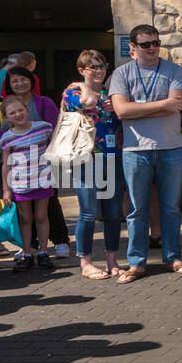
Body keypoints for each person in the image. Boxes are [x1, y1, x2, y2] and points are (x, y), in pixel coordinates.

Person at [108, 24, 182, 283]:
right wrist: (162, 106)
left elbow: (177, 104)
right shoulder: (121, 73)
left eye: (156, 42)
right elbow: (121, 111)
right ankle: (136, 263)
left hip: (170, 148)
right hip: (136, 150)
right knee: (136, 210)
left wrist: (139, 108)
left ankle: (173, 257)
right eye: (146, 44)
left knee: (171, 208)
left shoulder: (174, 70)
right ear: (133, 48)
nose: (153, 48)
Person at [0, 66, 70, 256]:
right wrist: (17, 135)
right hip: (17, 168)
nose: (19, 83)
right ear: (9, 85)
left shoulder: (43, 102)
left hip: (43, 163)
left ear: (32, 81)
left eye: (23, 79)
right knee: (24, 213)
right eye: (14, 80)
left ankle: (59, 241)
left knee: (50, 206)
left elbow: (55, 129)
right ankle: (28, 247)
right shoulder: (1, 107)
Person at [62, 49, 125, 280]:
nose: (99, 71)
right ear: (81, 70)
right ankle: (86, 262)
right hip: (86, 159)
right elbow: (86, 102)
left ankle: (112, 260)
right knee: (88, 212)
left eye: (102, 66)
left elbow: (125, 117)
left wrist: (116, 107)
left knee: (112, 213)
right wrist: (86, 84)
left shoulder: (113, 93)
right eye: (93, 67)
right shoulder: (74, 90)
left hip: (113, 157)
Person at [0, 94, 54, 272]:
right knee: (25, 219)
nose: (18, 114)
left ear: (28, 110)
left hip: (42, 181)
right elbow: (5, 166)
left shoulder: (44, 128)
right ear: (6, 118)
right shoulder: (7, 138)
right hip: (20, 184)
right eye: (12, 113)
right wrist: (6, 190)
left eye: (21, 110)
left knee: (41, 217)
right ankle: (27, 253)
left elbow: (55, 146)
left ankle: (44, 252)